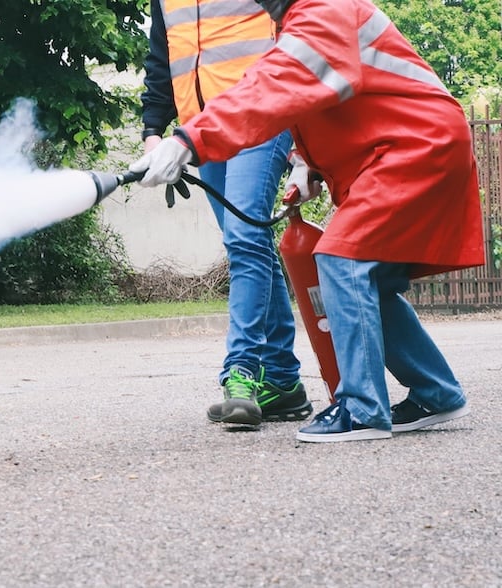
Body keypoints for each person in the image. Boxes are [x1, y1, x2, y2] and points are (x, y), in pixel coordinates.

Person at [131, 0, 483, 442]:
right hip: (407, 145)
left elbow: (271, 88)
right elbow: (321, 99)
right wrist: (306, 164)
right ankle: (436, 393)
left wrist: (189, 139)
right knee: (369, 280)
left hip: (412, 147)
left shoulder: (325, 10)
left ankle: (361, 410)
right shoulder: (300, 21)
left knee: (339, 258)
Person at [139, 0, 311, 427]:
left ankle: (242, 373)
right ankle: (286, 383)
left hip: (262, 117)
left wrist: (307, 144)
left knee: (243, 238)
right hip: (204, 131)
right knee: (249, 241)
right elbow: (163, 58)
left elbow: (299, 37)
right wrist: (153, 134)